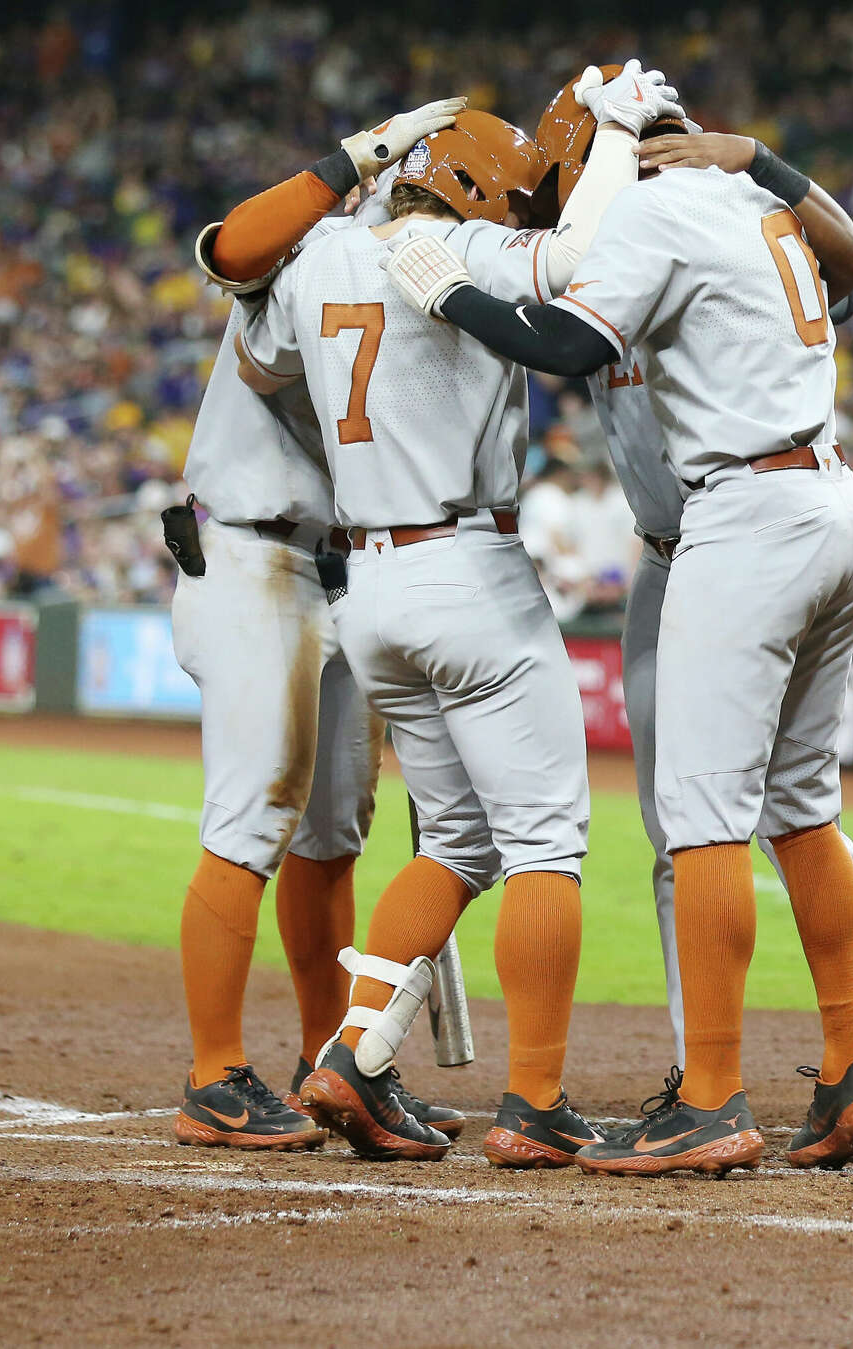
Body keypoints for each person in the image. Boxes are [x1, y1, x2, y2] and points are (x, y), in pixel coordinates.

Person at [386, 69, 853, 1174]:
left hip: (744, 519)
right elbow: (852, 265)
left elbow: (569, 345)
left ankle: (712, 1095)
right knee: (804, 807)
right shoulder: (756, 207)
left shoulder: (657, 212)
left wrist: (452, 294)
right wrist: (756, 157)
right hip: (830, 503)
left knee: (704, 818)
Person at [239, 67, 685, 1166]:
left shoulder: (318, 253)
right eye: (508, 194)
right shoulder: (466, 251)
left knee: (458, 842)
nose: (515, 210)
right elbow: (577, 265)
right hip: (467, 569)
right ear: (475, 190)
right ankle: (532, 1098)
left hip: (371, 584)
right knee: (547, 846)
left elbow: (260, 370)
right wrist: (620, 135)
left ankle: (351, 1051)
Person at [171, 100, 470, 1152]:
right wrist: (352, 159)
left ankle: (324, 1060)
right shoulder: (324, 245)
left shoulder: (436, 274)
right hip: (255, 553)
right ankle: (213, 1074)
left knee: (331, 835)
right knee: (253, 818)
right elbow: (231, 246)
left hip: (349, 565)